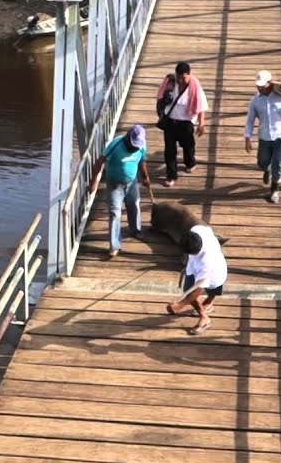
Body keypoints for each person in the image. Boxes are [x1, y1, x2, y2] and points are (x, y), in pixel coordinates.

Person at [89, 125, 152, 258]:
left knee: (134, 206)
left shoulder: (141, 145)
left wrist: (145, 177)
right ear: (128, 137)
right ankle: (115, 245)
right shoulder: (116, 145)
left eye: (138, 145)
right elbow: (99, 162)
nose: (135, 147)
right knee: (115, 213)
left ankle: (135, 230)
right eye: (134, 144)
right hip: (114, 185)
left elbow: (142, 161)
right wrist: (94, 181)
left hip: (132, 182)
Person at [244, 71, 281, 204]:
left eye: (262, 85)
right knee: (262, 162)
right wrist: (247, 138)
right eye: (258, 86)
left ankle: (275, 190)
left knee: (278, 164)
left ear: (269, 84)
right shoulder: (256, 100)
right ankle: (266, 169)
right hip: (265, 136)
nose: (259, 88)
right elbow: (250, 119)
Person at [165, 225, 228, 335]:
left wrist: (181, 304)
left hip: (215, 271)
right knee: (187, 288)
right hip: (194, 266)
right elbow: (207, 228)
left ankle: (205, 317)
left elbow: (198, 289)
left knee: (195, 291)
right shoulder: (197, 229)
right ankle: (205, 310)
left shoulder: (207, 261)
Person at [156, 62, 208, 188]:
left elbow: (202, 106)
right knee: (170, 150)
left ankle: (190, 162)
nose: (180, 80)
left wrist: (201, 123)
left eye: (183, 78)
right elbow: (160, 98)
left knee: (188, 145)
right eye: (178, 77)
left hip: (186, 122)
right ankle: (171, 175)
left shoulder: (195, 87)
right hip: (170, 121)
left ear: (189, 75)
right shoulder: (170, 83)